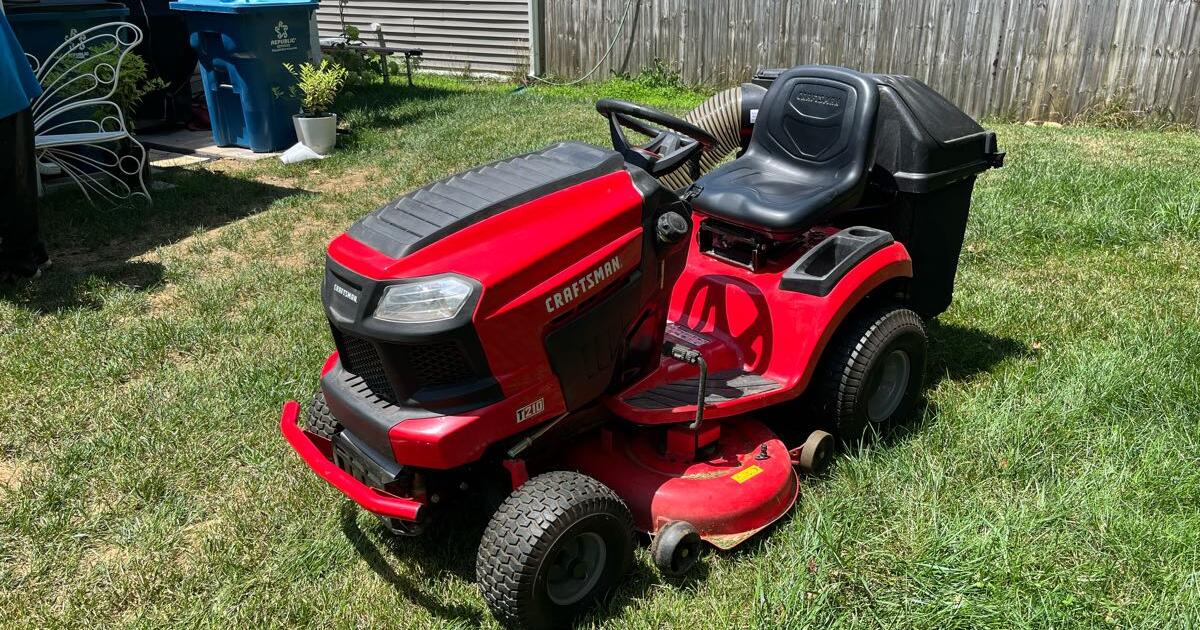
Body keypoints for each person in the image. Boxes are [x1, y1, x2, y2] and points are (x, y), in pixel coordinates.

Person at [0, 8, 49, 282]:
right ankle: (30, 252)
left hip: (5, 85)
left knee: (10, 177)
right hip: (8, 80)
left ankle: (19, 262)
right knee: (17, 175)